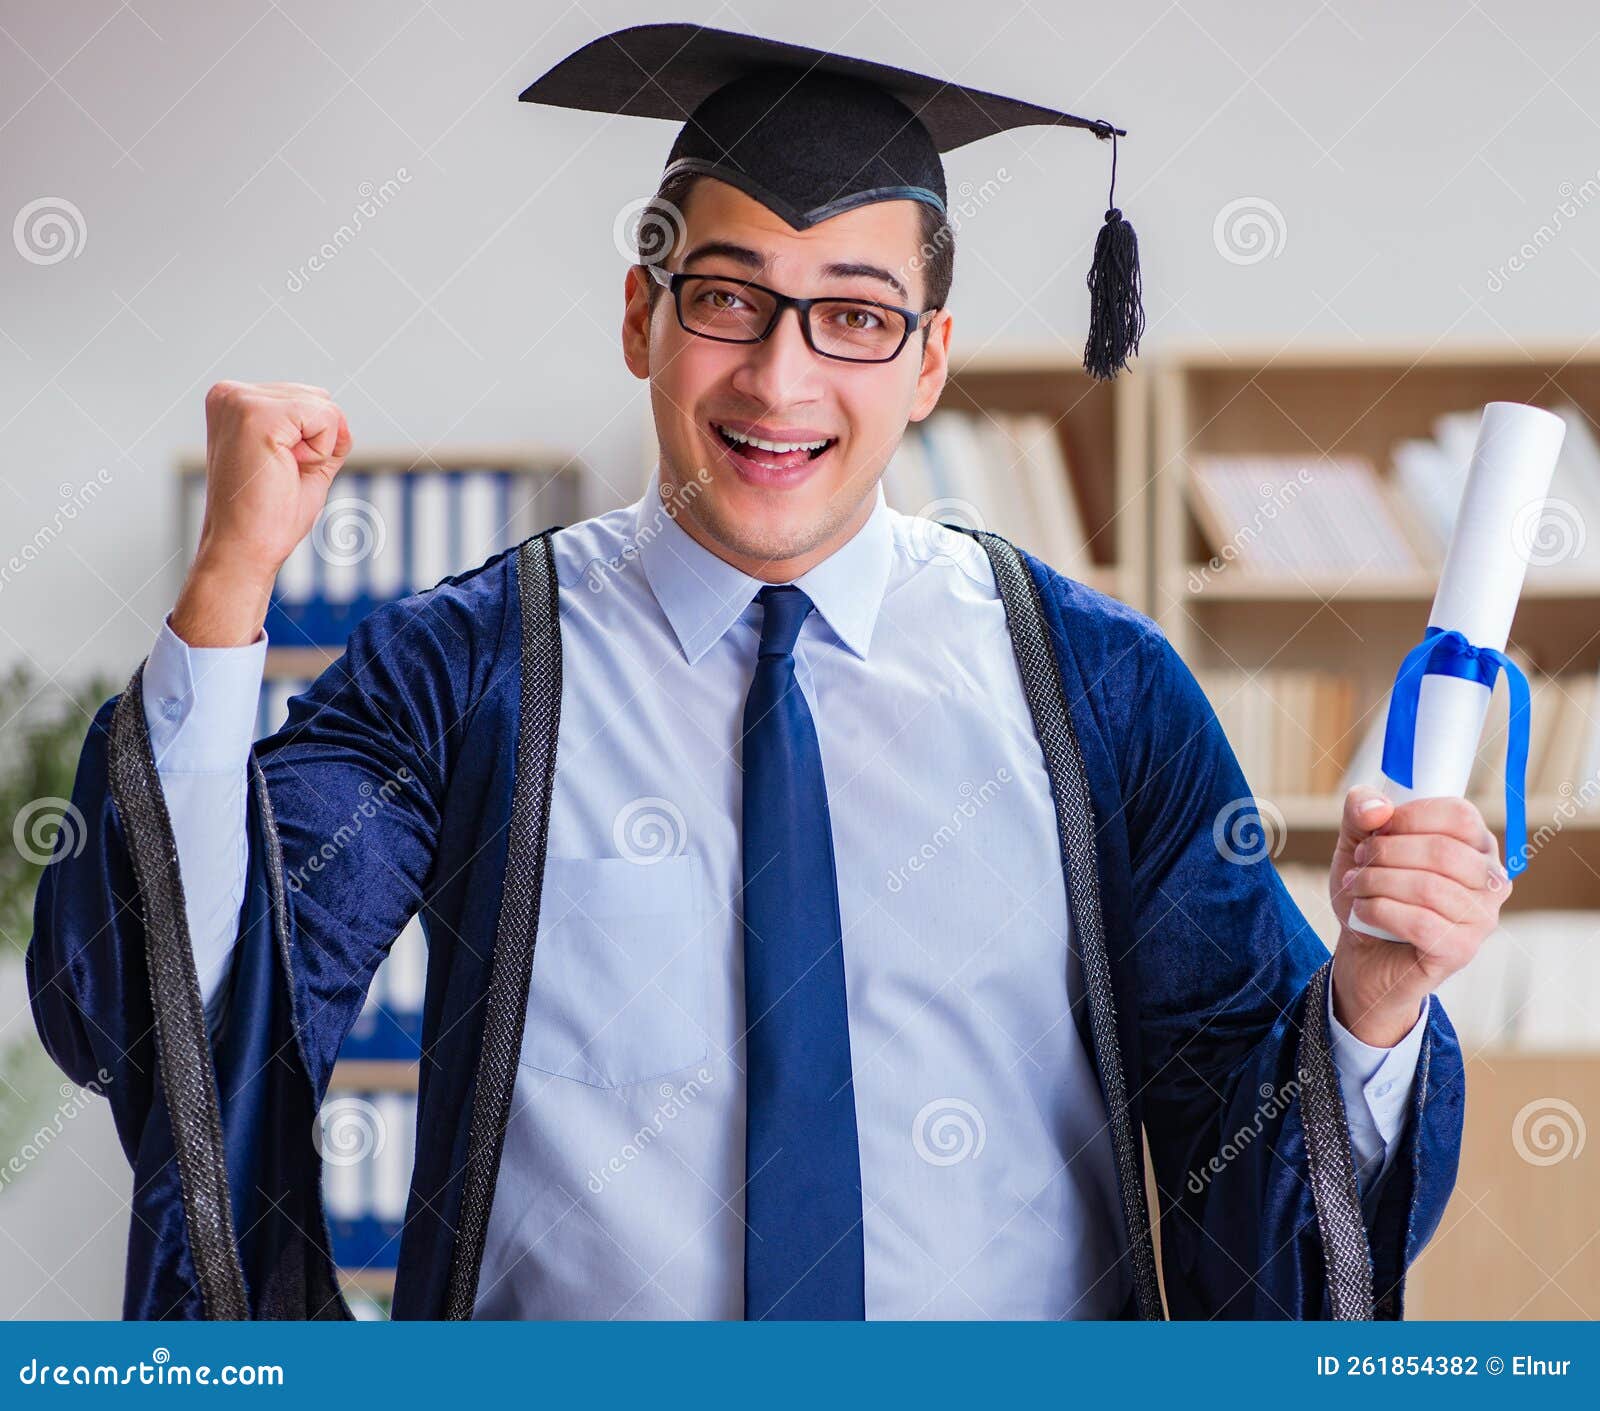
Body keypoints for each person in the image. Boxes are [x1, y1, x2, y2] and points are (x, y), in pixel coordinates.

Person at [28, 24, 1505, 1322]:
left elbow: (1243, 1143)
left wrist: (1372, 1008)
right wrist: (227, 590)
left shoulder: (1100, 691)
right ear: (641, 318)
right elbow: (177, 1009)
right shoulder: (469, 670)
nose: (780, 379)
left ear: (930, 361)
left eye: (855, 317)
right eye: (728, 299)